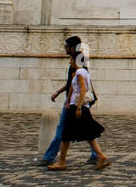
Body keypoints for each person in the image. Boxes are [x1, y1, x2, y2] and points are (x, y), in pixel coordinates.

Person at [34, 36, 97, 166]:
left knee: (62, 129)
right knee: (87, 128)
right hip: (77, 101)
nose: (65, 49)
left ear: (73, 47)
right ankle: (97, 155)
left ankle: (50, 157)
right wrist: (58, 91)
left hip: (75, 102)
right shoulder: (78, 59)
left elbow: (79, 85)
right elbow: (71, 83)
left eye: (67, 46)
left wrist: (73, 103)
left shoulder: (77, 62)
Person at [48, 44, 110, 170]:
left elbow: (82, 91)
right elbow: (73, 87)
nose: (70, 61)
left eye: (71, 59)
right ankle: (100, 156)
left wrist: (78, 108)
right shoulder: (81, 72)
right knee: (88, 135)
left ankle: (62, 162)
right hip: (78, 106)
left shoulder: (80, 73)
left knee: (66, 135)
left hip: (77, 107)